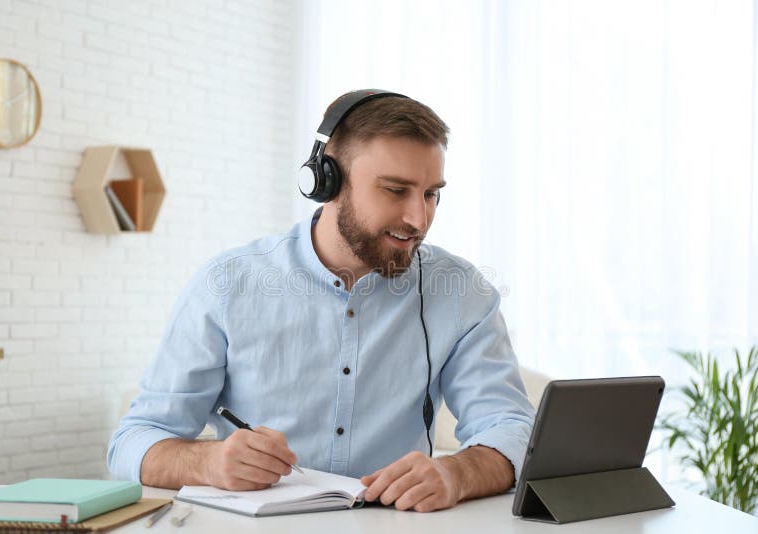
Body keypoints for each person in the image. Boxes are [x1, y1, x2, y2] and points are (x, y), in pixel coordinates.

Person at [107, 90, 535, 513]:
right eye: (395, 190)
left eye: (431, 194)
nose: (418, 219)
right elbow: (134, 440)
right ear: (325, 180)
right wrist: (209, 462)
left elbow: (511, 428)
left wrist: (456, 473)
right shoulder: (227, 284)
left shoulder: (461, 292)